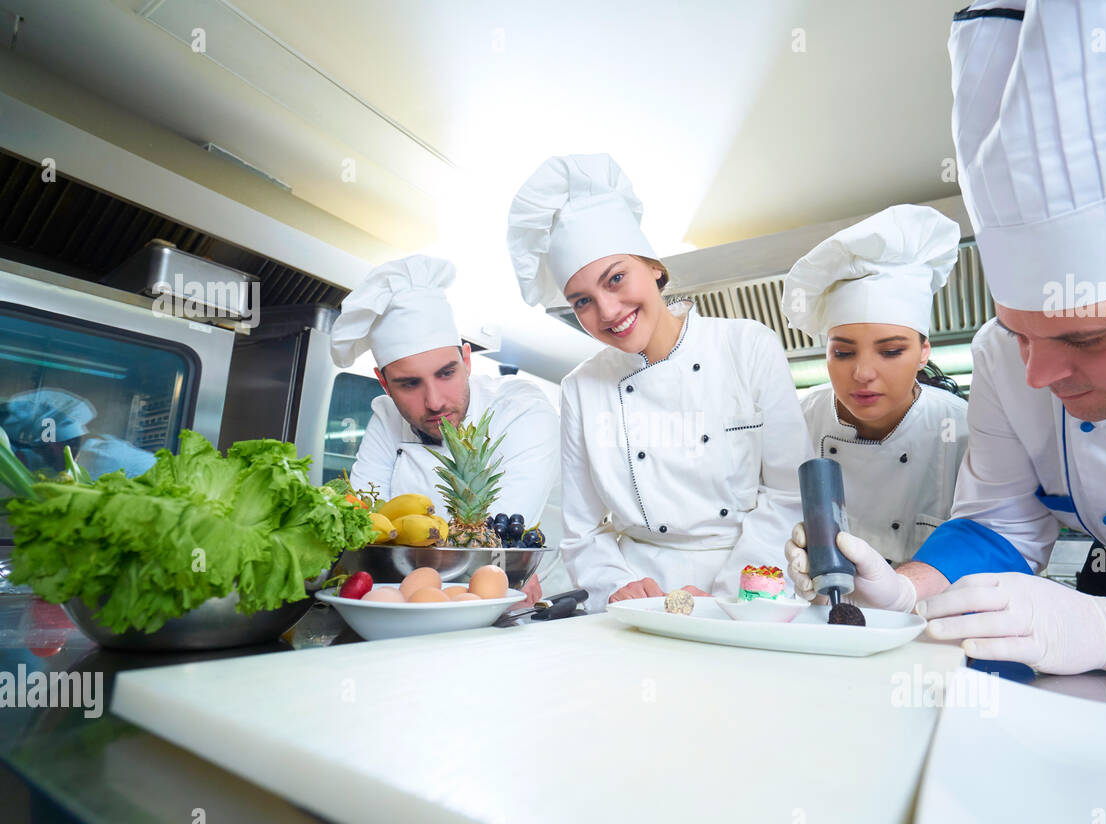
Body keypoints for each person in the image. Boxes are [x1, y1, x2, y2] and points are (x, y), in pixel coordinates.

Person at [786, 0, 1106, 685]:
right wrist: (906, 591)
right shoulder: (1012, 355)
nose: (1037, 374)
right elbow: (999, 525)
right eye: (1017, 329)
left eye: (1084, 336)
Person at [508, 154, 813, 611]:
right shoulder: (580, 388)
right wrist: (617, 585)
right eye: (582, 301)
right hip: (638, 600)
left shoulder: (748, 346)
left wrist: (729, 592)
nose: (608, 312)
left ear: (653, 266)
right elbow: (582, 531)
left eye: (616, 279)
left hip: (750, 591)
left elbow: (791, 494)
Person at [783, 205, 969, 565]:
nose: (863, 373)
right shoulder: (802, 420)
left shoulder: (963, 430)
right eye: (843, 353)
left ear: (922, 351)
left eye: (891, 351)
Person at [331, 254, 560, 529]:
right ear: (384, 383)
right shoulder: (386, 416)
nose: (435, 402)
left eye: (446, 373)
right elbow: (366, 523)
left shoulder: (522, 410)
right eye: (409, 384)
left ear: (467, 360)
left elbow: (498, 534)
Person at [0, 388, 157, 480]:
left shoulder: (102, 459)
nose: (43, 456)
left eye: (45, 448)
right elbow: (27, 459)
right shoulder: (69, 453)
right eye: (38, 449)